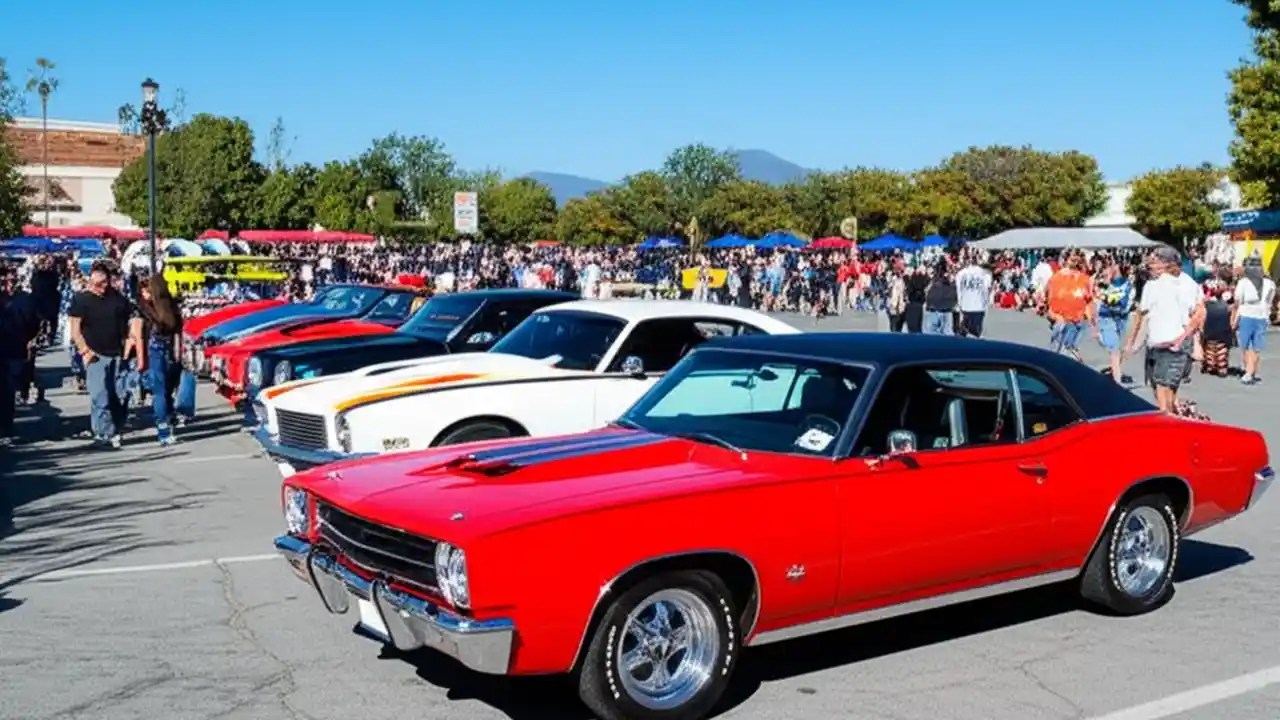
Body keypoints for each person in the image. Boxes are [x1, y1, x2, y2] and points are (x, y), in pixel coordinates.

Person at [68, 264, 142, 449]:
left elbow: (131, 318)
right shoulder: (82, 300)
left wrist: (130, 342)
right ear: (90, 282)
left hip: (117, 352)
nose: (100, 287)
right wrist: (85, 351)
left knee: (119, 395)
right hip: (95, 354)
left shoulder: (117, 298)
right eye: (96, 284)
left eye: (103, 283)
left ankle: (116, 427)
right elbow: (75, 329)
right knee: (100, 395)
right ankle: (103, 433)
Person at [1125, 247, 1201, 413]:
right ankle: (1174, 417)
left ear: (1166, 265)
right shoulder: (1190, 283)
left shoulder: (1153, 286)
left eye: (1154, 262)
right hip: (1180, 343)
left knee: (1160, 387)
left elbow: (1142, 315)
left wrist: (1132, 342)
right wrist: (1195, 341)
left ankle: (1168, 421)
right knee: (1170, 386)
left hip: (1161, 342)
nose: (1150, 265)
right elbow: (1198, 313)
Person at [137, 274, 184, 444]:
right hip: (171, 349)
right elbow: (179, 330)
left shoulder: (146, 309)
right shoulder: (170, 307)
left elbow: (140, 335)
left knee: (158, 391)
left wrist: (140, 358)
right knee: (168, 389)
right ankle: (170, 420)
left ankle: (163, 427)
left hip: (154, 351)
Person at [0, 267, 41, 446]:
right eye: (3, 282)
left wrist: (29, 340)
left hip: (14, 350)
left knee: (7, 391)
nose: (7, 285)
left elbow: (34, 322)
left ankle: (6, 427)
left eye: (10, 281)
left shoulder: (25, 300)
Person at [1232, 254, 1275, 385]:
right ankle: (1251, 370)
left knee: (1246, 345)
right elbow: (1270, 301)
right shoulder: (1269, 283)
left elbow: (1237, 301)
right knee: (1256, 346)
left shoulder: (1244, 283)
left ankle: (1248, 372)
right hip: (1262, 316)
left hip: (1246, 315)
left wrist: (1234, 317)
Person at [1046, 250, 1094, 361]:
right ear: (1066, 259)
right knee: (1056, 358)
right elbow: (1048, 303)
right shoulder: (1056, 278)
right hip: (1061, 322)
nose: (1075, 260)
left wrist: (1092, 323)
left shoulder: (1085, 279)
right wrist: (1055, 317)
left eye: (1078, 257)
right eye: (1072, 257)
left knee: (1070, 360)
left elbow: (1088, 302)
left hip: (1077, 324)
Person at [1094, 263, 1133, 383]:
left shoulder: (1128, 283)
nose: (1112, 268)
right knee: (1114, 349)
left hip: (1121, 317)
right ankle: (1117, 381)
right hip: (1106, 316)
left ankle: (1114, 371)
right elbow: (1097, 296)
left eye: (1115, 266)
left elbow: (1129, 301)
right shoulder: (1102, 281)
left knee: (1118, 349)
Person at [954, 254, 993, 338]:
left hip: (965, 305)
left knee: (964, 331)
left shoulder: (961, 273)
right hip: (979, 306)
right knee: (976, 333)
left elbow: (958, 289)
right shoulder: (985, 273)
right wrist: (987, 302)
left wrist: (959, 302)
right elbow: (987, 289)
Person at [922, 263, 957, 335]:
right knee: (947, 333)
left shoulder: (933, 282)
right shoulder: (950, 282)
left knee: (932, 333)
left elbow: (926, 293)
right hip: (946, 310)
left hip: (933, 309)